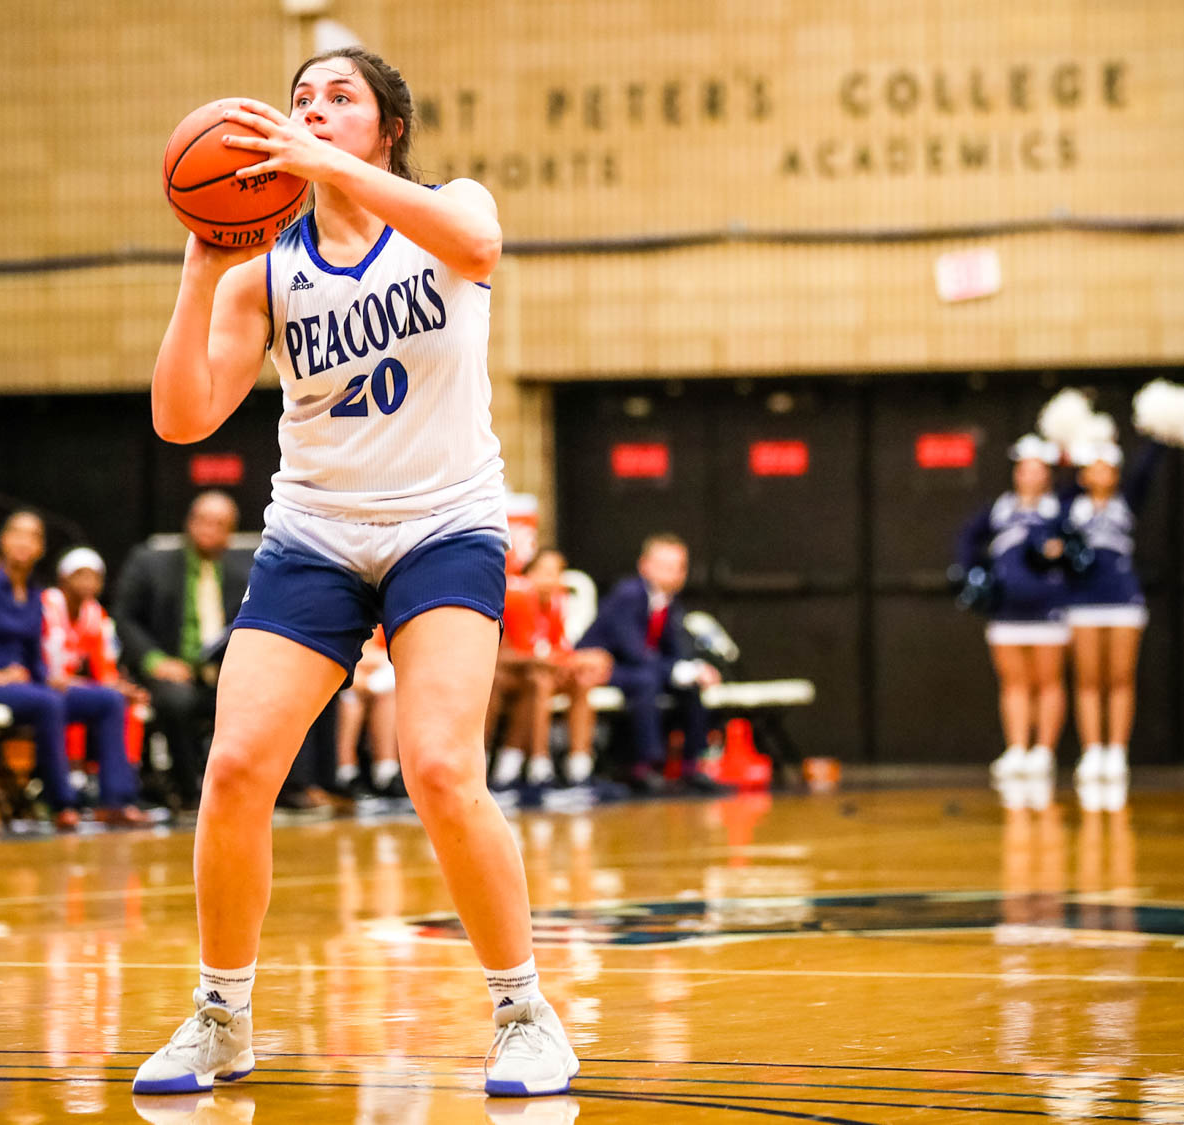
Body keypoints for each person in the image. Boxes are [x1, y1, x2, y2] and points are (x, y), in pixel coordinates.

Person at [130, 47, 577, 1099]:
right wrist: (200, 269)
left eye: (340, 99)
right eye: (298, 99)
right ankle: (220, 1016)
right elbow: (180, 416)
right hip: (316, 535)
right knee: (235, 768)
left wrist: (321, 166)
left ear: (386, 130)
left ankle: (523, 1013)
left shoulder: (443, 213)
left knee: (435, 766)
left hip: (445, 526)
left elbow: (480, 241)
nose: (312, 111)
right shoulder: (266, 270)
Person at [0, 512, 151, 829]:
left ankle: (115, 800)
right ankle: (62, 804)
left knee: (107, 700)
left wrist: (49, 678)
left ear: (40, 548)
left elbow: (32, 652)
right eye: (17, 534)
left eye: (33, 536)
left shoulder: (34, 594)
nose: (24, 542)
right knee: (47, 702)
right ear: (3, 540)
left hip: (28, 688)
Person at [114, 491, 250, 811]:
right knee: (178, 701)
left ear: (230, 533)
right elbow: (125, 617)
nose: (208, 529)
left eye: (219, 524)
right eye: (202, 520)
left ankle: (269, 788)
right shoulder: (150, 562)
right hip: (168, 670)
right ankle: (191, 792)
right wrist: (155, 660)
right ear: (189, 522)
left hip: (218, 673)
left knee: (267, 698)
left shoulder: (240, 576)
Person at [957, 436, 1071, 784]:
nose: (1030, 476)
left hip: (1049, 607)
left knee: (1048, 682)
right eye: (1024, 469)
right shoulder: (1001, 508)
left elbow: (1079, 549)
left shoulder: (1060, 510)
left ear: (1048, 474)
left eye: (1038, 470)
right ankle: (1018, 747)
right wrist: (975, 572)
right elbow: (965, 538)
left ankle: (1044, 751)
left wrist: (1060, 551)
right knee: (1014, 683)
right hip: (1007, 609)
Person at [577, 534, 723, 796]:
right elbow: (633, 650)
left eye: (679, 567)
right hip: (605, 666)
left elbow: (676, 650)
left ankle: (692, 766)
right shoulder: (628, 594)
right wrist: (676, 670)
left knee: (689, 686)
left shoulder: (670, 604)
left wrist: (694, 669)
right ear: (644, 565)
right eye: (664, 566)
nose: (673, 574)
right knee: (646, 681)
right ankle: (645, 767)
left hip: (641, 668)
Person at [1060, 438, 1165, 789]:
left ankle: (1117, 750)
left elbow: (1146, 470)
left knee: (1120, 679)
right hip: (1082, 602)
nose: (1101, 473)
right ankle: (1092, 750)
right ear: (1083, 474)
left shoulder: (1127, 502)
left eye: (1108, 468)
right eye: (1094, 467)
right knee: (1088, 681)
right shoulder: (1070, 508)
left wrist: (1157, 435)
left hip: (1123, 601)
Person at [41, 546, 154, 818]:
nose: (88, 584)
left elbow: (104, 665)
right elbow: (44, 661)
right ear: (63, 578)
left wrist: (116, 685)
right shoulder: (46, 606)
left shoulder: (96, 614)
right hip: (45, 684)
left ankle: (119, 795)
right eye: (81, 576)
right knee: (78, 703)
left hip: (77, 687)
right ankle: (66, 794)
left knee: (126, 704)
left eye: (94, 578)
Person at [493, 548, 610, 788]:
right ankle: (537, 767)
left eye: (557, 572)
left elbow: (555, 650)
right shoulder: (518, 597)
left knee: (580, 680)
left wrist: (576, 664)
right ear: (528, 575)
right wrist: (578, 660)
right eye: (544, 572)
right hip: (502, 675)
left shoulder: (556, 603)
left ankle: (579, 768)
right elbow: (532, 654)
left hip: (531, 672)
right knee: (540, 680)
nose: (551, 579)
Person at [334, 627, 401, 797]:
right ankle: (346, 771)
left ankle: (386, 770)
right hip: (346, 671)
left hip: (372, 673)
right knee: (351, 694)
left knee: (385, 689)